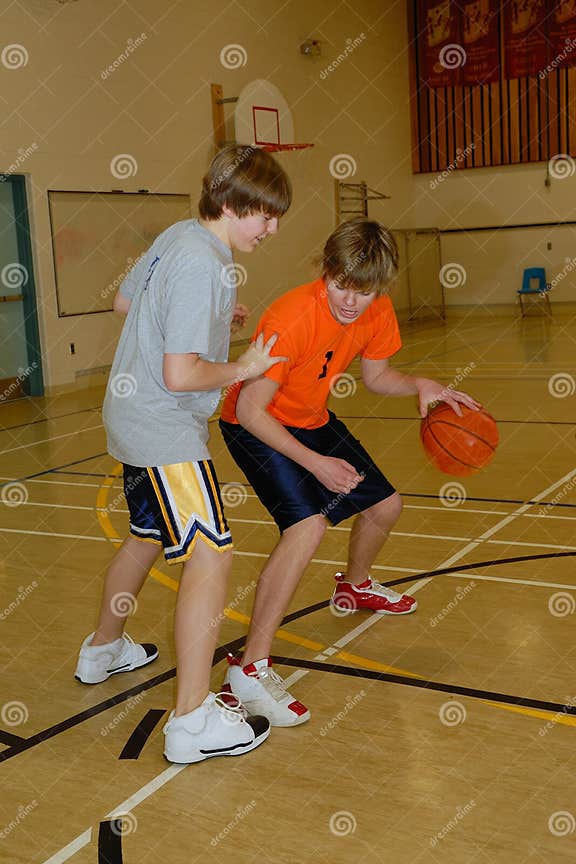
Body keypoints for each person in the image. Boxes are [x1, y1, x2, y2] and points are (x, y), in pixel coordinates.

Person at [74, 144, 292, 763]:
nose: (271, 228)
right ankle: (193, 719)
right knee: (210, 553)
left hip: (130, 418)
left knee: (147, 532)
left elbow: (126, 302)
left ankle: (102, 651)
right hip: (163, 424)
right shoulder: (204, 261)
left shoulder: (180, 235)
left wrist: (214, 317)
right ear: (231, 202)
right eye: (265, 216)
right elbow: (180, 373)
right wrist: (242, 366)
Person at [219, 218, 480, 726]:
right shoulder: (291, 317)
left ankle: (354, 585)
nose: (348, 301)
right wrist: (316, 463)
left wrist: (422, 384)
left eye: (362, 292)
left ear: (380, 287)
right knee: (307, 525)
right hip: (255, 425)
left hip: (311, 418)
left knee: (386, 506)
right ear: (326, 269)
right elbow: (251, 409)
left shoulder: (375, 311)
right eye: (340, 284)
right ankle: (250, 669)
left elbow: (378, 377)